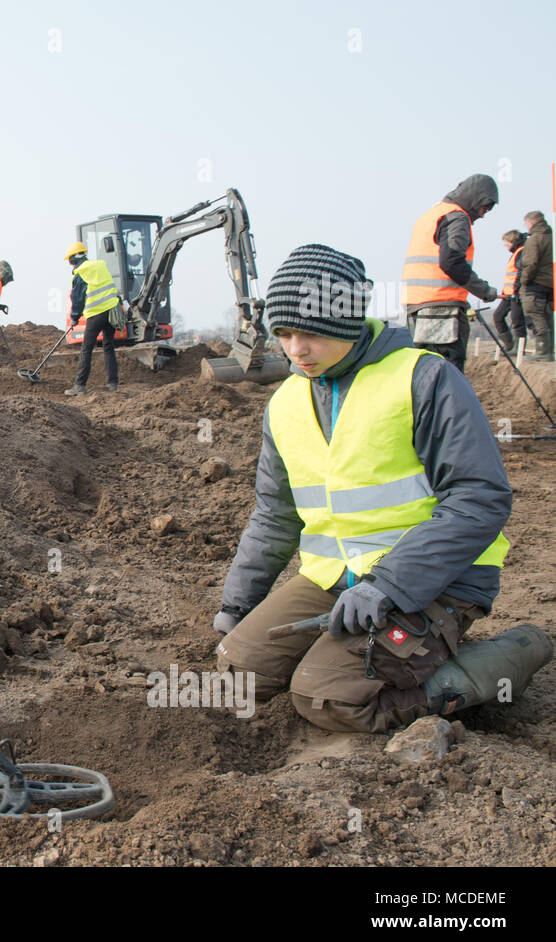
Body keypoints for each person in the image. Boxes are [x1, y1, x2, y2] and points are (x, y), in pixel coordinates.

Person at [213, 244, 551, 733]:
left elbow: (480, 498)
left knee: (329, 698)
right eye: (283, 333)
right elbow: (274, 515)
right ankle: (352, 653)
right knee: (240, 673)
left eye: (309, 333)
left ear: (347, 323)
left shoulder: (425, 378)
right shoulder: (285, 403)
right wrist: (236, 605)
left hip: (436, 581)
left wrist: (390, 584)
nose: (295, 349)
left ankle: (509, 656)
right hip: (337, 579)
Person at [401, 174, 499, 371]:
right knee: (449, 376)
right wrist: (485, 291)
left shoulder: (431, 215)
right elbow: (452, 262)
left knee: (426, 373)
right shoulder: (457, 217)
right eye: (484, 208)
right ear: (476, 198)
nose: (483, 215)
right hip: (442, 310)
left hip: (418, 306)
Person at [62, 241, 121, 395]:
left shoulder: (80, 273)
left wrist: (75, 316)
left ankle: (79, 386)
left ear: (73, 259)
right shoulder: (100, 265)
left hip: (96, 313)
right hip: (112, 309)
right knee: (109, 346)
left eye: (70, 260)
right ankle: (113, 383)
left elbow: (78, 298)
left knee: (86, 349)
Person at [518, 210, 553, 362]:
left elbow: (531, 263)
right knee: (547, 316)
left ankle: (543, 352)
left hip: (535, 283)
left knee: (535, 315)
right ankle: (548, 351)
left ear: (530, 223)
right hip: (550, 283)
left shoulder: (534, 239)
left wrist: (524, 281)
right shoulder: (550, 236)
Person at [491, 229, 528, 353]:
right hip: (507, 294)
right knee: (498, 316)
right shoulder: (515, 253)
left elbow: (520, 273)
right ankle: (509, 345)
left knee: (517, 321)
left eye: (506, 242)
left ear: (512, 241)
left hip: (515, 293)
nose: (505, 245)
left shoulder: (521, 252)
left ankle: (519, 350)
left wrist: (516, 290)